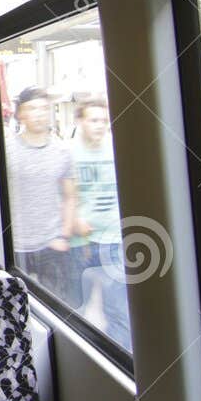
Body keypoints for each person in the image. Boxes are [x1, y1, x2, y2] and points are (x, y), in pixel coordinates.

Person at [6, 87, 76, 304]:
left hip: (50, 244)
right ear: (20, 114)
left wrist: (63, 235)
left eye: (44, 109)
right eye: (33, 108)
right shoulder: (6, 149)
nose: (39, 114)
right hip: (15, 245)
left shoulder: (62, 151)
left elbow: (70, 196)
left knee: (55, 306)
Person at [70, 99, 129, 347]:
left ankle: (121, 360)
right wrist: (74, 221)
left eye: (104, 120)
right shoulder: (68, 152)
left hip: (113, 239)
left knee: (118, 308)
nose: (100, 125)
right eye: (93, 120)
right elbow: (61, 195)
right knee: (76, 305)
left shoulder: (119, 149)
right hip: (81, 241)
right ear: (80, 122)